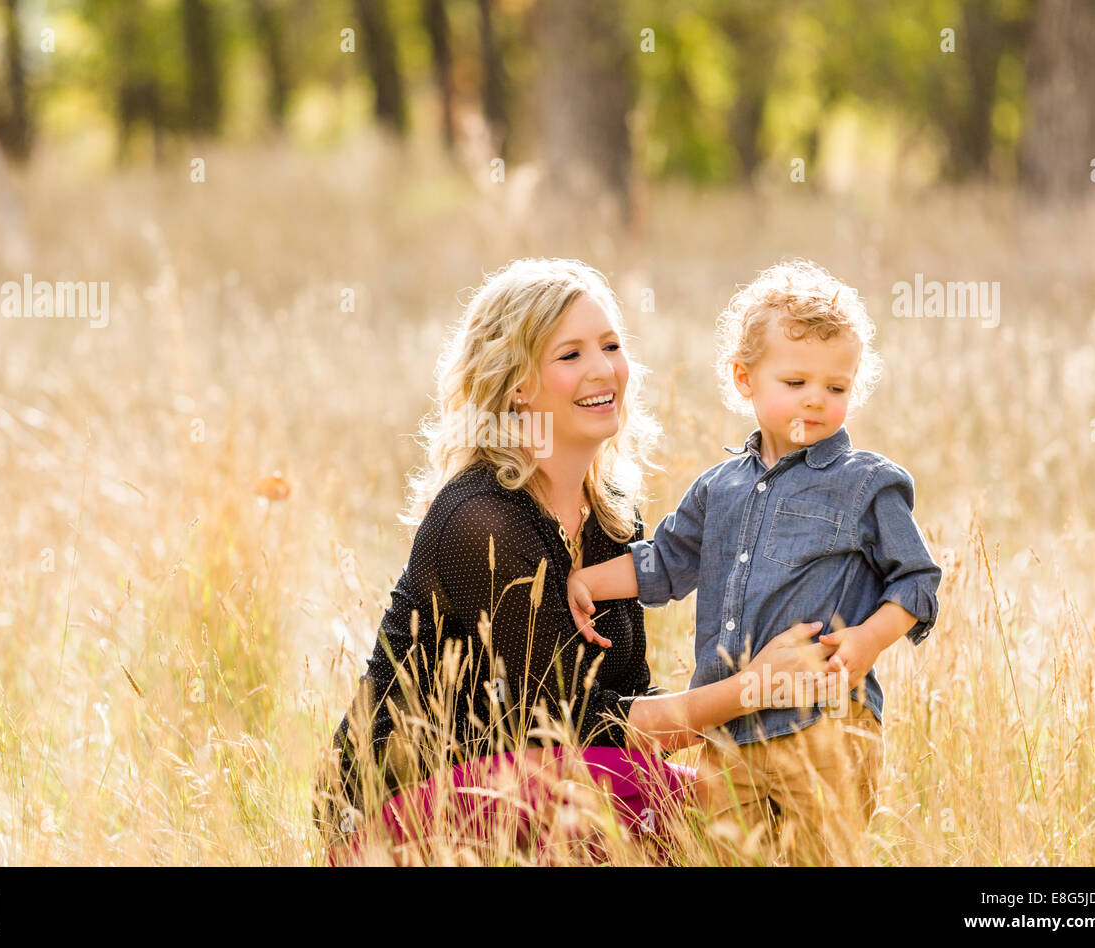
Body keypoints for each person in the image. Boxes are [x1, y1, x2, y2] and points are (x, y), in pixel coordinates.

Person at [315, 257, 834, 864]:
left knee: (752, 815)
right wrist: (750, 688)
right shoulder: (482, 519)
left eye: (611, 345)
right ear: (516, 384)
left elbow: (624, 704)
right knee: (597, 789)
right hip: (395, 818)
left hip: (552, 784)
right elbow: (574, 726)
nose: (603, 369)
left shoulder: (612, 516)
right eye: (570, 355)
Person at [568, 259, 942, 865]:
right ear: (745, 379)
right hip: (728, 734)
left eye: (836, 388)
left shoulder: (867, 484)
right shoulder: (719, 489)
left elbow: (918, 580)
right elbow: (664, 563)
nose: (816, 401)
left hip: (821, 724)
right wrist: (587, 579)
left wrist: (871, 640)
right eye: (795, 383)